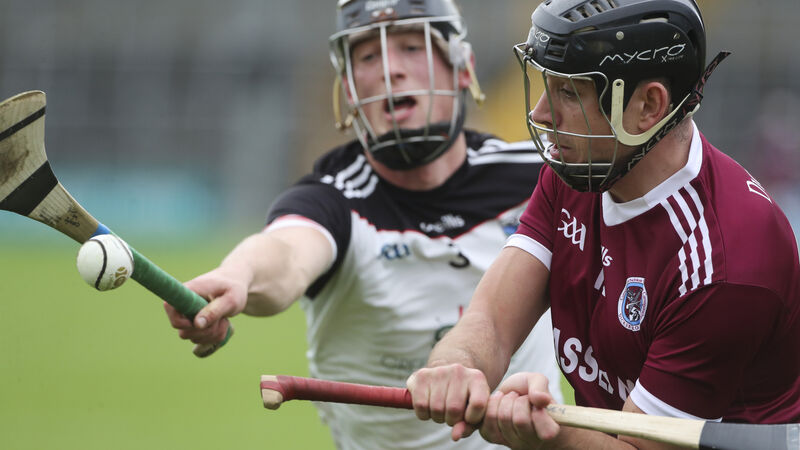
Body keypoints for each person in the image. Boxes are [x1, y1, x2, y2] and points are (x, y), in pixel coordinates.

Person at [163, 0, 562, 448]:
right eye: (368, 56)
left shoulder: (542, 176)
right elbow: (287, 253)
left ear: (463, 68)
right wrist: (237, 276)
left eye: (412, 47)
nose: (391, 69)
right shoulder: (332, 199)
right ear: (350, 90)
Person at [406, 0, 800, 448]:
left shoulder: (724, 264)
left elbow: (636, 446)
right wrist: (457, 366)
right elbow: (492, 321)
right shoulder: (587, 167)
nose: (540, 114)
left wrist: (550, 435)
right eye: (545, 86)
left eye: (569, 93)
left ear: (649, 105)